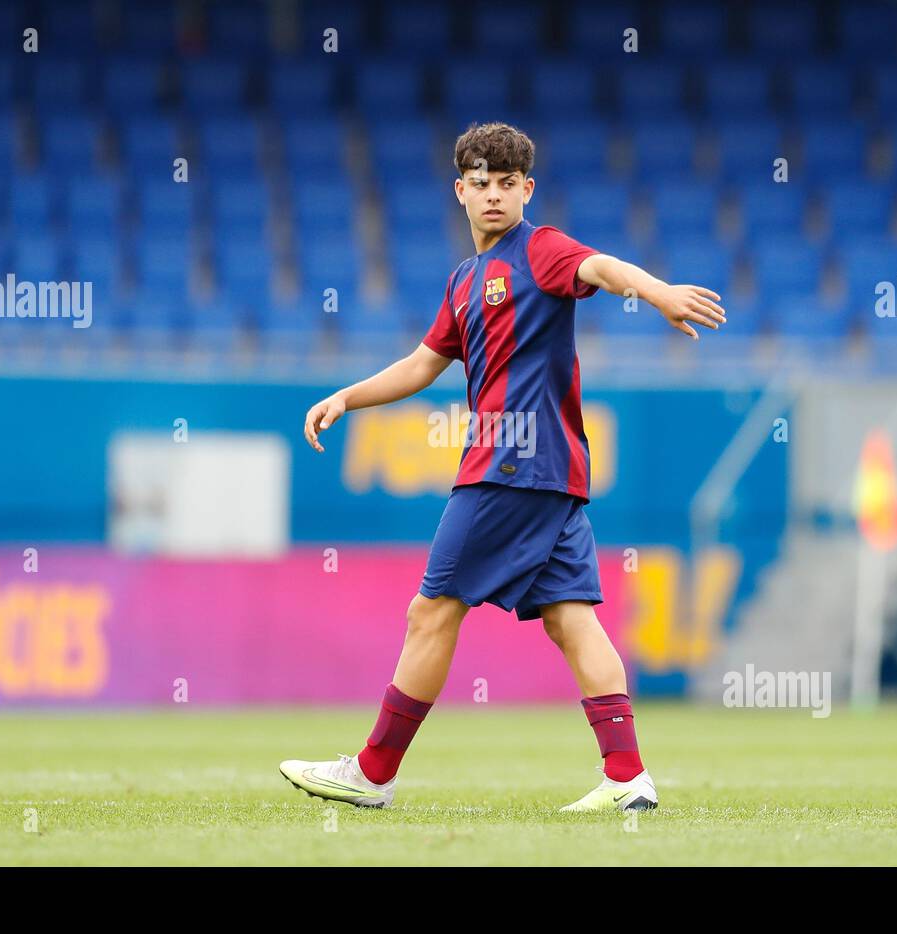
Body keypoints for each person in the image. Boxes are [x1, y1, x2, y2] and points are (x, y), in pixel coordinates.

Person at [279, 122, 725, 811]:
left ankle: (372, 774)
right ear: (460, 191)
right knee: (571, 619)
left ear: (527, 190)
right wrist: (347, 397)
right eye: (480, 183)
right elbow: (424, 364)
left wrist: (658, 292)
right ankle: (628, 777)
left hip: (512, 463)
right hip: (554, 474)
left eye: (506, 184)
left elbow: (602, 268)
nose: (493, 195)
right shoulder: (462, 280)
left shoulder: (540, 250)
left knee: (431, 610)